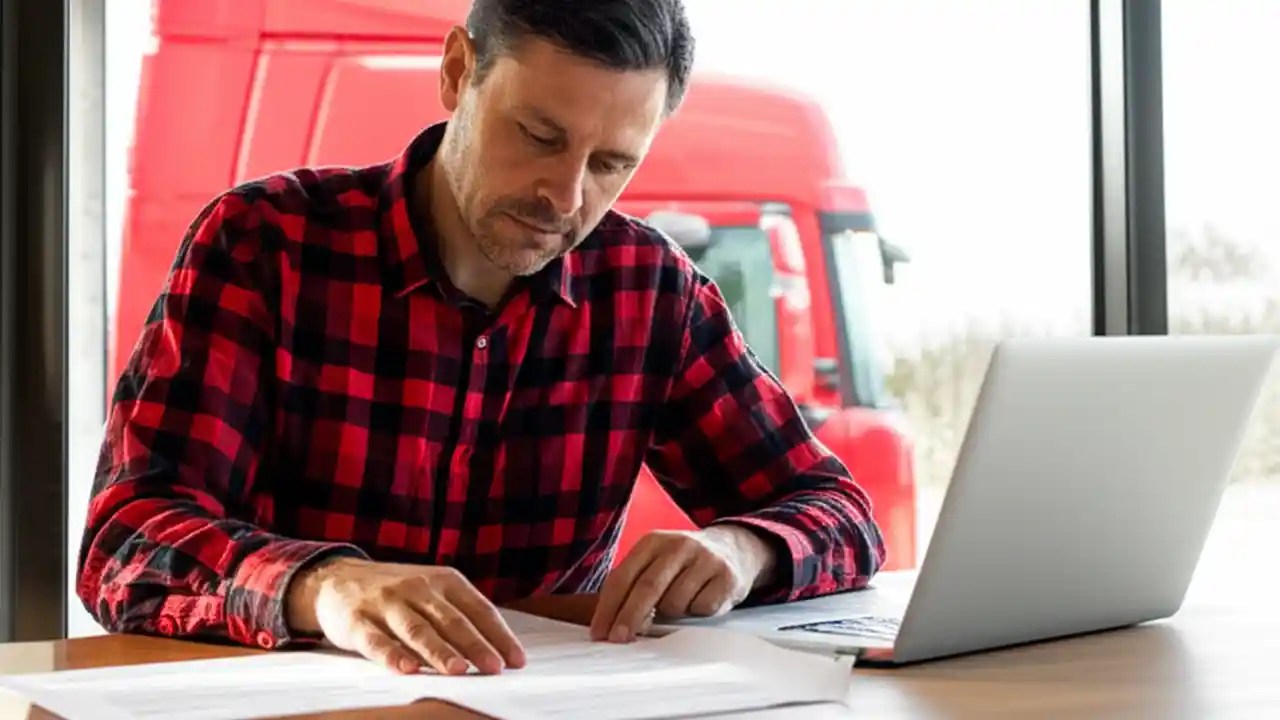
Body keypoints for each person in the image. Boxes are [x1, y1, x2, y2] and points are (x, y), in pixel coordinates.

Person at [77, 0, 885, 677]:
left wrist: (743, 551)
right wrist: (325, 586)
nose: (564, 196)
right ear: (458, 71)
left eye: (610, 163)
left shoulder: (651, 292)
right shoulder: (265, 245)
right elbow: (125, 541)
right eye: (539, 135)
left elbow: (839, 512)